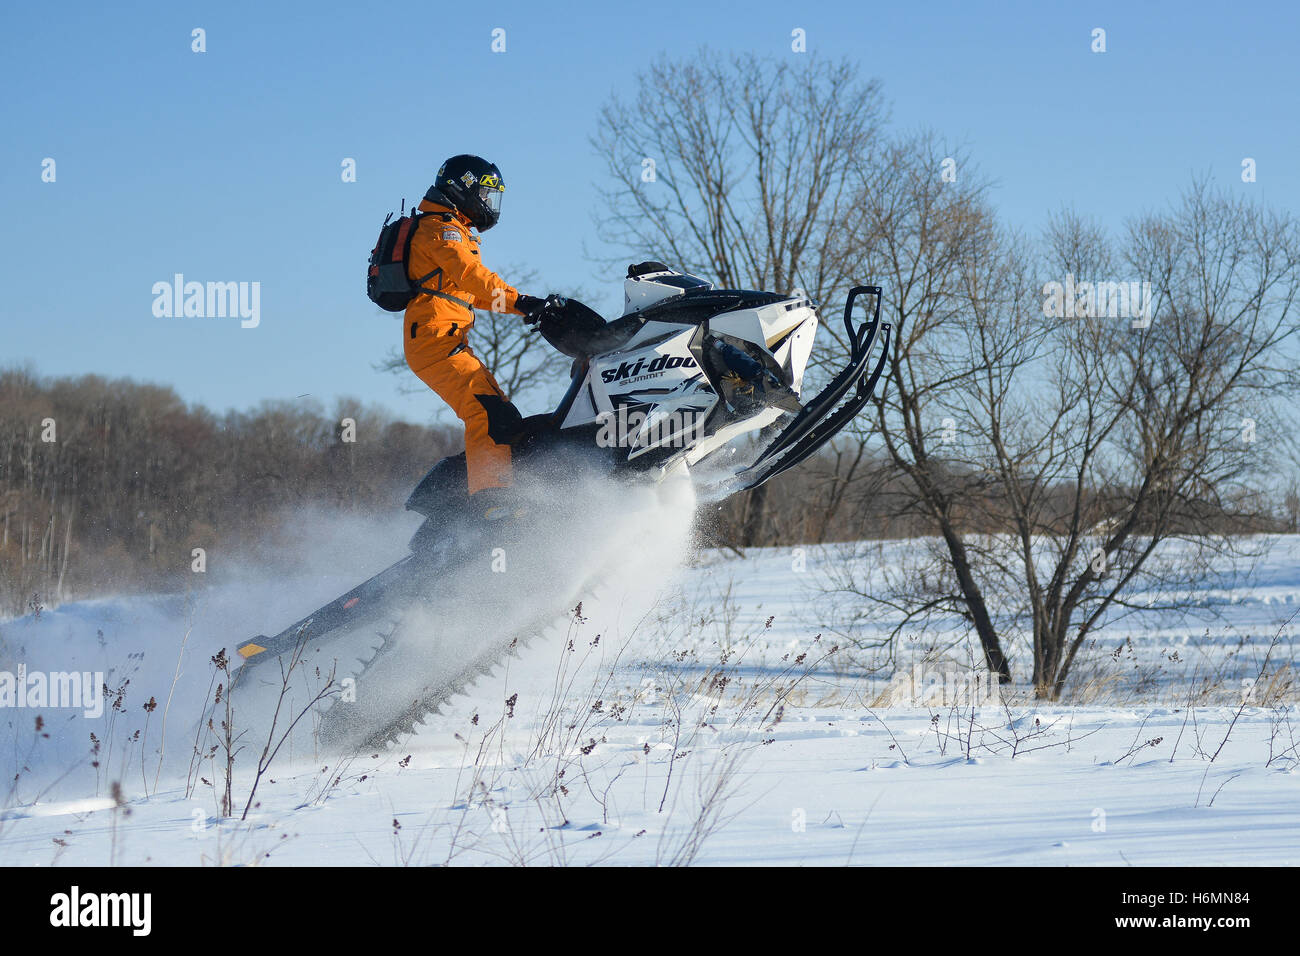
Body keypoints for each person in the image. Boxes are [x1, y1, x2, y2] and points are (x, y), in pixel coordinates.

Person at [402, 154, 555, 511]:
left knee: (503, 417)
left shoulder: (450, 227)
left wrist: (523, 307)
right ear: (464, 188)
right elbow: (473, 277)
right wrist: (523, 301)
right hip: (434, 342)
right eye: (486, 194)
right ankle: (490, 504)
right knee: (487, 414)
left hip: (445, 340)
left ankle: (482, 492)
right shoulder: (441, 230)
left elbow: (475, 294)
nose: (489, 203)